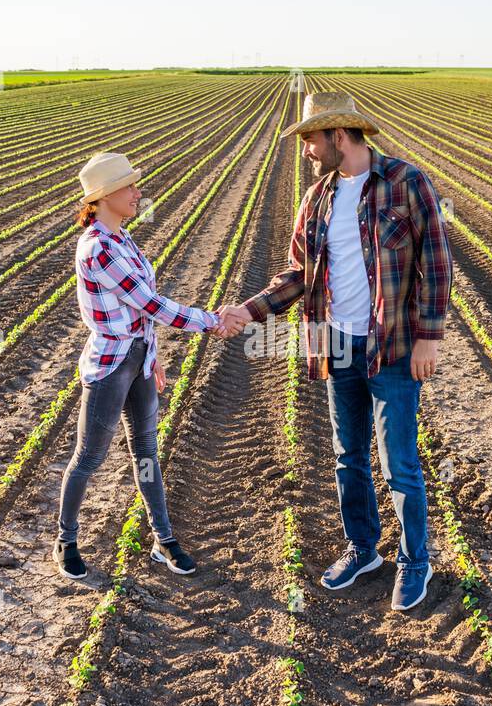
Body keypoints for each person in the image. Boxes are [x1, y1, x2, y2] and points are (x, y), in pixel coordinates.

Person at [218, 92, 454, 611]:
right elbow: (298, 275)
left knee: (401, 463)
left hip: (391, 345)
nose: (305, 149)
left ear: (338, 136)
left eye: (309, 139)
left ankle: (416, 560)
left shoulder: (405, 182)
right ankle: (364, 549)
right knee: (349, 457)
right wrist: (249, 310)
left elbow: (436, 259)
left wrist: (428, 337)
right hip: (336, 343)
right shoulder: (317, 199)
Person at [54, 151, 242, 582]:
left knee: (147, 453)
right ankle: (65, 539)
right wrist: (212, 321)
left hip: (137, 361)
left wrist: (152, 358)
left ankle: (163, 538)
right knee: (89, 456)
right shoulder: (98, 247)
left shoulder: (122, 238)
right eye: (129, 186)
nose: (138, 193)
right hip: (110, 367)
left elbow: (141, 313)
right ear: (102, 197)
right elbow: (150, 304)